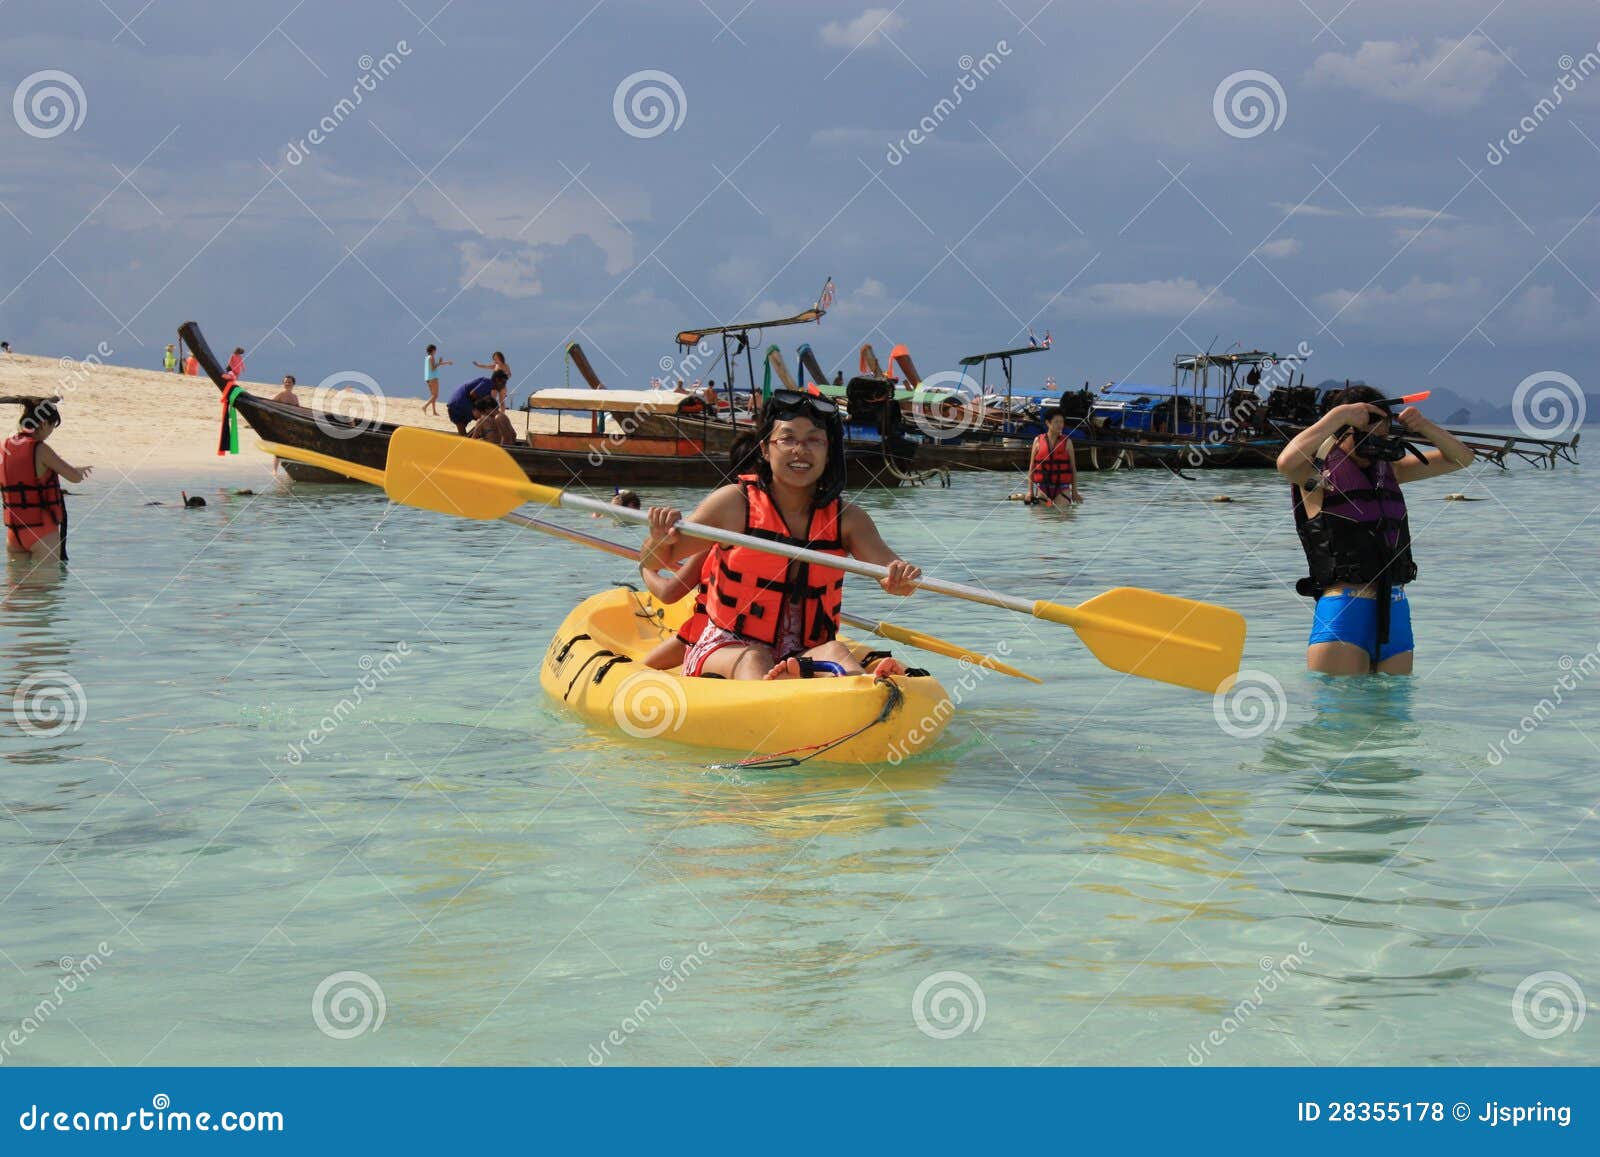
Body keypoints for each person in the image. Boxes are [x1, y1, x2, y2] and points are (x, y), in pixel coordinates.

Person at [638, 389, 919, 681]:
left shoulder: (849, 520)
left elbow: (894, 578)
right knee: (755, 656)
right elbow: (657, 559)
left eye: (814, 440)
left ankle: (861, 695)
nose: (800, 450)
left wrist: (901, 577)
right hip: (727, 645)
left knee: (835, 650)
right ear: (765, 449)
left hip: (802, 650)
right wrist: (659, 537)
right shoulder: (733, 504)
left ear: (829, 451)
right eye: (787, 439)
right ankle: (776, 700)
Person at [1276, 384, 1475, 675]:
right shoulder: (1315, 473)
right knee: (1342, 718)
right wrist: (1338, 415)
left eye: (1381, 436)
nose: (1374, 445)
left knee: (1395, 717)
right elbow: (1284, 462)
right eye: (1365, 436)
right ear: (1341, 430)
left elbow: (1462, 459)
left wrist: (1424, 426)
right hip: (1345, 612)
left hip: (1395, 610)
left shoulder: (1391, 470)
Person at [2, 401, 90, 562]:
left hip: (14, 534)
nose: (49, 433)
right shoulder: (41, 449)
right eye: (51, 427)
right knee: (47, 585)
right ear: (43, 423)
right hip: (42, 533)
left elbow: (25, 473)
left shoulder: (5, 447)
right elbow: (74, 478)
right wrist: (77, 471)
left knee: (17, 586)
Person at [1026, 408, 1081, 507]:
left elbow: (1073, 469)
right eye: (1056, 422)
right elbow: (1032, 468)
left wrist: (1074, 492)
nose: (1060, 425)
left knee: (1063, 519)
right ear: (1048, 423)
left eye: (1062, 422)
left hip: (1062, 490)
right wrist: (1030, 492)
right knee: (1043, 520)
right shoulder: (1037, 441)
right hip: (1043, 490)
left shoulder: (1067, 442)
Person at [446, 370, 507, 435]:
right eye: (503, 383)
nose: (504, 385)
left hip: (454, 405)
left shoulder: (488, 388)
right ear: (497, 380)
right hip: (460, 404)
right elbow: (473, 394)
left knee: (463, 435)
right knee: (488, 417)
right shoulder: (488, 383)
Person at [423, 344, 452, 415]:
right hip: (433, 378)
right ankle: (425, 406)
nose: (436, 351)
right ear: (433, 350)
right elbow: (433, 368)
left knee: (433, 395)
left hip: (428, 378)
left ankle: (434, 411)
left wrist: (447, 362)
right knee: (435, 395)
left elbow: (434, 365)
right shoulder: (431, 357)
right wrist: (439, 363)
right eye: (435, 350)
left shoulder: (427, 357)